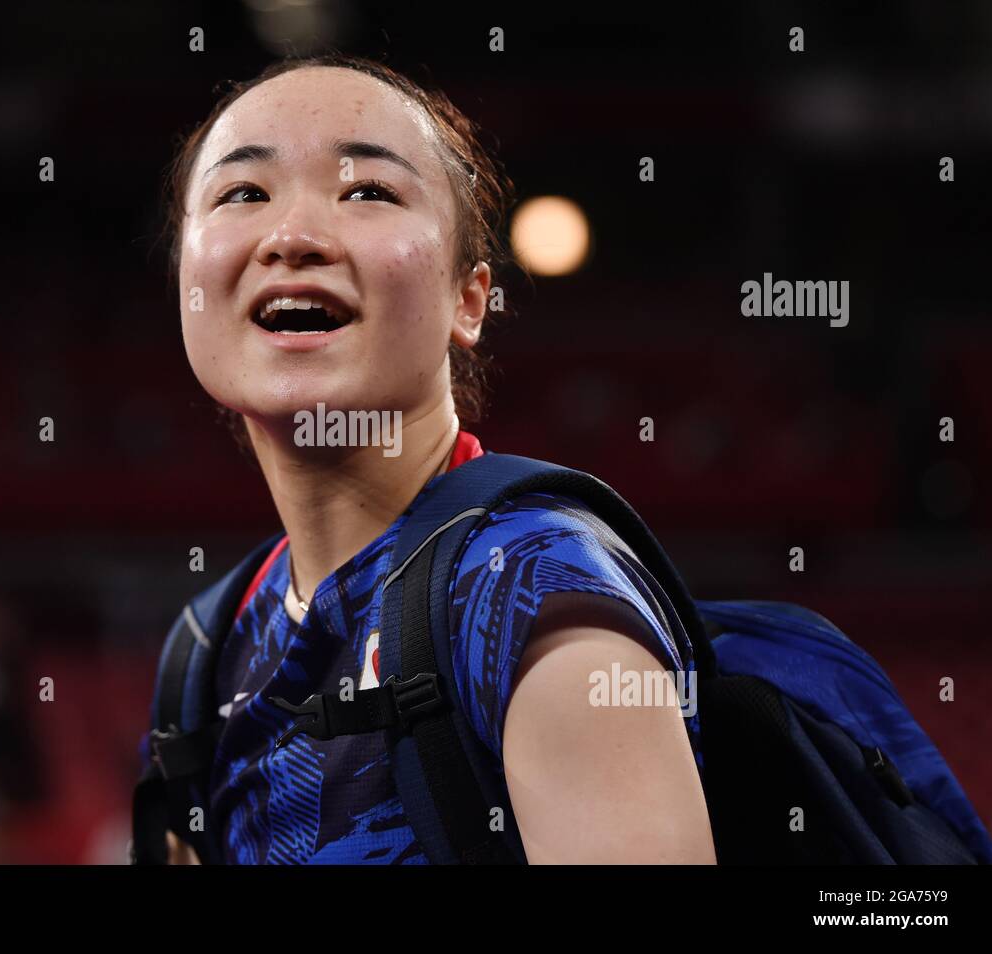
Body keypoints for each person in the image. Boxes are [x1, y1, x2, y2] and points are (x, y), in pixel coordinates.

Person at [152, 52, 716, 864]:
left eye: (369, 192)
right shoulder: (207, 647)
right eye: (244, 193)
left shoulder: (535, 591)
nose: (294, 236)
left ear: (468, 298)